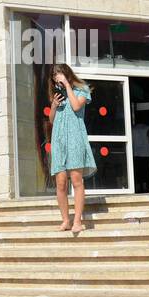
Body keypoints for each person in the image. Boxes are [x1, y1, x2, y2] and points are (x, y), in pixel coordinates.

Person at [47, 63, 96, 234]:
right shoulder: (58, 94)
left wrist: (68, 86)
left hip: (75, 137)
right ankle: (65, 220)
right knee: (60, 183)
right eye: (54, 75)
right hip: (59, 139)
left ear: (66, 73)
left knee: (76, 181)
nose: (56, 77)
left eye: (58, 73)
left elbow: (76, 106)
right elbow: (52, 120)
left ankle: (77, 221)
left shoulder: (82, 89)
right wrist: (53, 105)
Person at [132, 118, 149, 193]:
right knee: (147, 172)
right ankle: (146, 187)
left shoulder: (133, 129)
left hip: (136, 153)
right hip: (147, 153)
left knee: (138, 172)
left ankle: (139, 187)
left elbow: (132, 142)